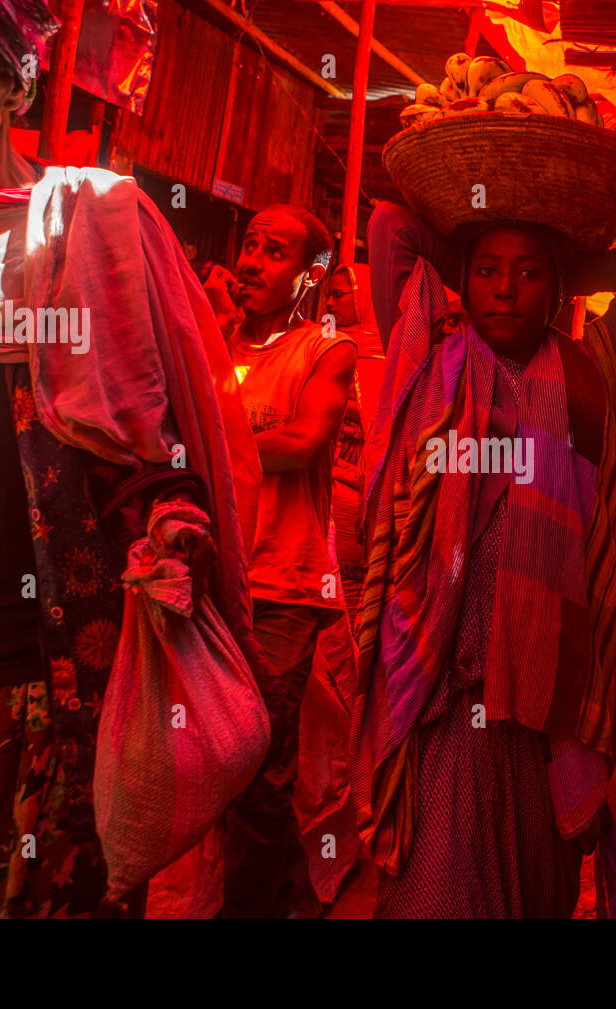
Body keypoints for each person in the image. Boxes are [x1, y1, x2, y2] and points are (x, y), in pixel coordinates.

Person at [0, 0, 261, 918]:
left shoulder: (94, 220)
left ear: (15, 76)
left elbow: (151, 439)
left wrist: (175, 528)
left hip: (60, 683)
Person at [351, 201, 616, 917]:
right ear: (461, 279)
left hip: (539, 718)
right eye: (487, 271)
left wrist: (563, 260)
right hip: (442, 699)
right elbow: (387, 229)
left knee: (535, 894)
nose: (504, 289)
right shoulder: (433, 359)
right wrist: (470, 239)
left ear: (558, 291)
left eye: (528, 275)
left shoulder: (590, 374)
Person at [207, 205, 357, 918]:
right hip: (206, 579)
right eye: (251, 245)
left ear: (311, 274)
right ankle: (291, 898)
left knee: (259, 766)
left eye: (275, 251)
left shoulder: (326, 351)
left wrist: (206, 441)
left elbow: (300, 443)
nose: (253, 260)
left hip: (283, 585)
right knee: (208, 759)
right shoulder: (207, 341)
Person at [325, 263, 385, 617]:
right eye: (329, 294)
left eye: (338, 295)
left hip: (356, 490)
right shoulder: (325, 347)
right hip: (320, 487)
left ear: (362, 300)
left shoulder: (383, 358)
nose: (330, 303)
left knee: (351, 597)